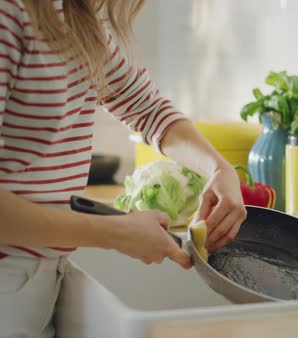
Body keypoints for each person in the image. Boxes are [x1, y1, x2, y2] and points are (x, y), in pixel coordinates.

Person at [0, 0, 247, 336]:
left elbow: (146, 108)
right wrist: (116, 232)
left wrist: (219, 170)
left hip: (38, 278)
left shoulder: (75, 16)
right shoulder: (9, 13)